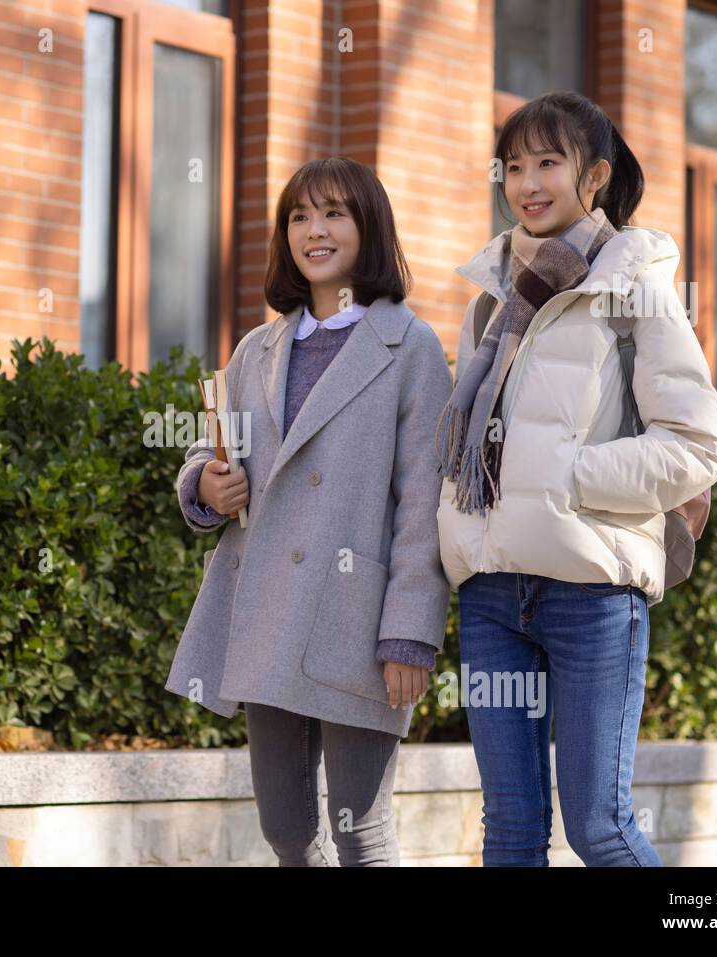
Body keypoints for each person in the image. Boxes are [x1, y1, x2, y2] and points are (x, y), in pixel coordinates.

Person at [436, 91, 717, 866]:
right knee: (511, 829)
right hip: (494, 593)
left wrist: (569, 477)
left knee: (598, 827)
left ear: (593, 176)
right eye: (515, 166)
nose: (528, 183)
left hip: (592, 593)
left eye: (549, 164)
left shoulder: (633, 286)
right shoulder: (488, 303)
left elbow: (698, 443)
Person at [165, 157, 452, 866]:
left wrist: (410, 633)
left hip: (358, 620)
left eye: (333, 213)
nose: (313, 230)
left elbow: (425, 501)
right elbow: (211, 453)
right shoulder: (256, 349)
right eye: (299, 215)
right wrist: (206, 484)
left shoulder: (410, 346)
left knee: (360, 830)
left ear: (368, 228)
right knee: (287, 832)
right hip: (266, 613)